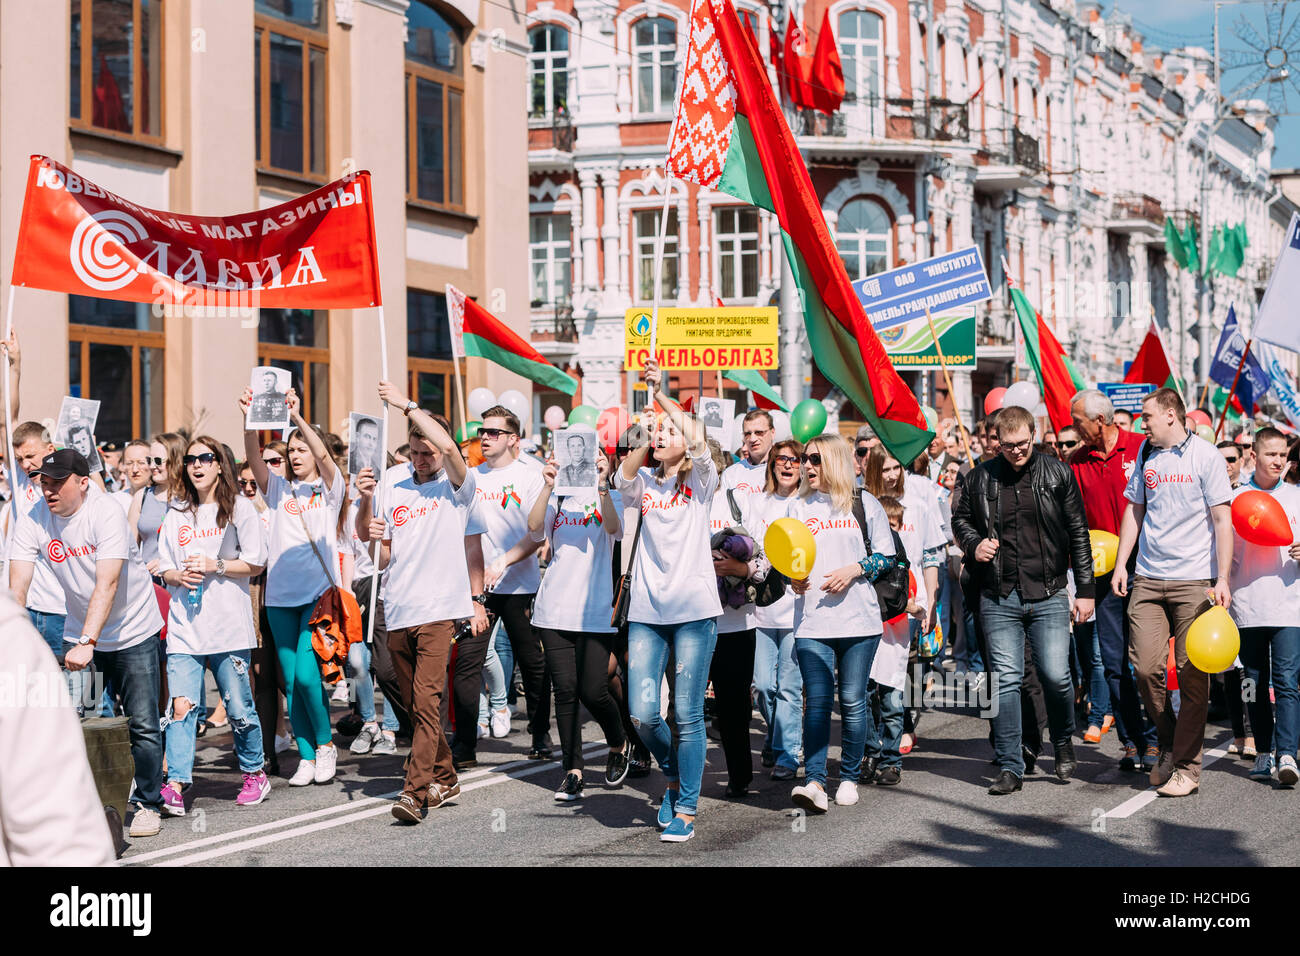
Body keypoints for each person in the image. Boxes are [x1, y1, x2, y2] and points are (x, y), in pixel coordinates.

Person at [9, 449, 166, 837]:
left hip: (131, 629)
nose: (47, 490)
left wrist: (88, 640)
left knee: (142, 723)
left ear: (82, 482)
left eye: (56, 482)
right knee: (78, 721)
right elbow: (17, 587)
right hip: (80, 630)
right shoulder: (34, 518)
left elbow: (107, 583)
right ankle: (87, 801)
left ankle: (148, 802)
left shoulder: (105, 512)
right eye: (43, 482)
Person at [952, 404, 1095, 795]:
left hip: (1048, 590)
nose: (1016, 451)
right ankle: (1012, 765)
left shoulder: (1057, 473)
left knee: (1055, 675)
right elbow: (960, 519)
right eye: (1008, 445)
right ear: (996, 441)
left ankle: (1063, 739)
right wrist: (974, 543)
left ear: (1034, 436)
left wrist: (1085, 591)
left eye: (1023, 444)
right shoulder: (980, 478)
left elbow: (1078, 534)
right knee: (1005, 681)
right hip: (999, 595)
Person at [357, 383, 478, 822]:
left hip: (439, 610)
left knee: (427, 700)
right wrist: (365, 510)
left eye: (428, 451)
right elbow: (381, 553)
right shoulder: (392, 481)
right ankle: (446, 776)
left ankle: (415, 791)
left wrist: (406, 404)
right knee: (412, 703)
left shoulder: (459, 484)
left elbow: (448, 444)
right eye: (415, 451)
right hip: (397, 606)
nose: (422, 458)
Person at [614, 360, 721, 843]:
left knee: (688, 713)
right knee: (642, 713)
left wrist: (660, 396)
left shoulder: (701, 481)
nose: (660, 435)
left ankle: (688, 807)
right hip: (647, 612)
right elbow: (621, 476)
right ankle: (675, 772)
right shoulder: (643, 482)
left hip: (695, 611)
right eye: (655, 432)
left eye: (666, 431)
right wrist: (645, 431)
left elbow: (696, 439)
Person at [1112, 387, 1234, 797]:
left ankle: (1187, 766)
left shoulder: (1207, 456)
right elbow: (1134, 510)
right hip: (1147, 578)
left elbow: (1222, 520)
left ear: (1169, 415)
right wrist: (1120, 564)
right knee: (1145, 669)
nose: (1140, 423)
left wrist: (1222, 579)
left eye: (1146, 416)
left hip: (1194, 581)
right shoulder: (1147, 456)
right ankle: (1167, 743)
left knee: (1191, 674)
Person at [157, 437, 270, 813]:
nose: (197, 465)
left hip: (227, 626)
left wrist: (214, 565)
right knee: (182, 708)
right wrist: (176, 575)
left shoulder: (240, 508)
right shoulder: (176, 513)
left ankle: (255, 772)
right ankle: (176, 781)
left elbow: (256, 563)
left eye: (205, 458)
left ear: (220, 464)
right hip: (185, 628)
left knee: (238, 706)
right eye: (190, 460)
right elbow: (164, 566)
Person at [242, 386, 344, 786]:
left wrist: (299, 418)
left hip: (317, 597)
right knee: (291, 682)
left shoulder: (330, 489)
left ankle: (325, 745)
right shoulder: (278, 489)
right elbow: (252, 456)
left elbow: (324, 457)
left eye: (301, 450)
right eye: (292, 451)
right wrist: (250, 418)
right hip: (280, 599)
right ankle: (305, 755)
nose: (297, 456)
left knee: (306, 677)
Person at [787, 435, 895, 813]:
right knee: (816, 703)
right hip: (812, 623)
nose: (806, 466)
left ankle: (848, 776)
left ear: (833, 460)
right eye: (804, 459)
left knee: (851, 701)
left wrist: (855, 569)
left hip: (859, 622)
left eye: (815, 459)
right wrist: (791, 578)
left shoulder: (864, 503)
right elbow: (785, 558)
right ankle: (815, 780)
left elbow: (888, 556)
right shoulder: (796, 506)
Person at [526, 441, 629, 801]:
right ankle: (573, 770)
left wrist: (602, 483)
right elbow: (535, 528)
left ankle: (618, 742)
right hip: (554, 608)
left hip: (595, 610)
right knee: (565, 691)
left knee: (593, 689)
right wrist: (548, 485)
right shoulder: (558, 498)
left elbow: (615, 530)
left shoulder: (610, 495)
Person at [1068, 388, 1160, 773]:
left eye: (1078, 422)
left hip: (1147, 570)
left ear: (1100, 421)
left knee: (1147, 662)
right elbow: (1071, 521)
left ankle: (1156, 738)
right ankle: (1131, 741)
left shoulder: (1141, 448)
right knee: (1113, 664)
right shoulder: (1075, 461)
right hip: (1102, 576)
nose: (1073, 428)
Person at [0, 594, 117, 865]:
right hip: (58, 626)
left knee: (94, 707)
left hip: (80, 627)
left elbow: (58, 834)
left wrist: (87, 641)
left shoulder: (8, 639)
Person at [473, 406, 551, 762]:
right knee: (469, 660)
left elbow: (537, 535)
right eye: (481, 431)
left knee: (532, 664)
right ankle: (466, 736)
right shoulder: (472, 476)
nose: (484, 438)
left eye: (492, 432)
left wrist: (504, 560)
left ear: (512, 439)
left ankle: (540, 733)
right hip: (481, 588)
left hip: (520, 585)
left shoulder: (531, 474)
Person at [1227, 426, 1300, 786]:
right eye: (1271, 454)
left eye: (1283, 455)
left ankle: (1287, 752)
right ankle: (1263, 750)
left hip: (1289, 607)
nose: (1278, 461)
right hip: (1247, 607)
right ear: (1253, 456)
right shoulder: (1235, 497)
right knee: (1251, 684)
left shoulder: (1297, 497)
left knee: (1287, 683)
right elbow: (1223, 552)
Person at [707, 438, 762, 799]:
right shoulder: (673, 501)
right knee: (685, 705)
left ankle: (740, 773)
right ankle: (680, 778)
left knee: (733, 704)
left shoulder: (739, 502)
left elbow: (765, 561)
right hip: (688, 617)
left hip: (735, 622)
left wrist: (738, 567)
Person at [752, 439, 804, 780]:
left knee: (788, 687)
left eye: (795, 460)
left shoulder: (808, 502)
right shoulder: (759, 502)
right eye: (781, 459)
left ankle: (788, 752)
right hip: (760, 610)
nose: (787, 465)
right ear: (772, 465)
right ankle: (778, 734)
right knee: (762, 687)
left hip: (797, 609)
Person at [724, 410, 775, 504]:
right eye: (747, 434)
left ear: (772, 432)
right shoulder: (731, 474)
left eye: (759, 432)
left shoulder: (785, 470)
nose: (752, 439)